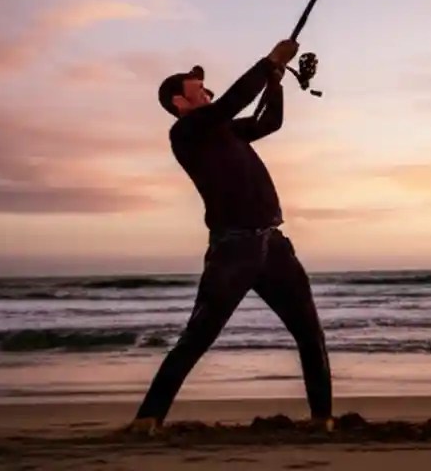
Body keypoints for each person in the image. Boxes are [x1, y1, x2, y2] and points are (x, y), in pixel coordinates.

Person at [127, 39, 332, 435]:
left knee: (310, 331)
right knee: (198, 336)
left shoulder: (225, 131)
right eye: (195, 84)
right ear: (177, 101)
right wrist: (269, 61)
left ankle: (323, 419)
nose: (204, 87)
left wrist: (275, 81)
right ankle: (148, 417)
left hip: (272, 244)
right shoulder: (186, 132)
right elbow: (228, 105)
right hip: (232, 247)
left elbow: (268, 123)